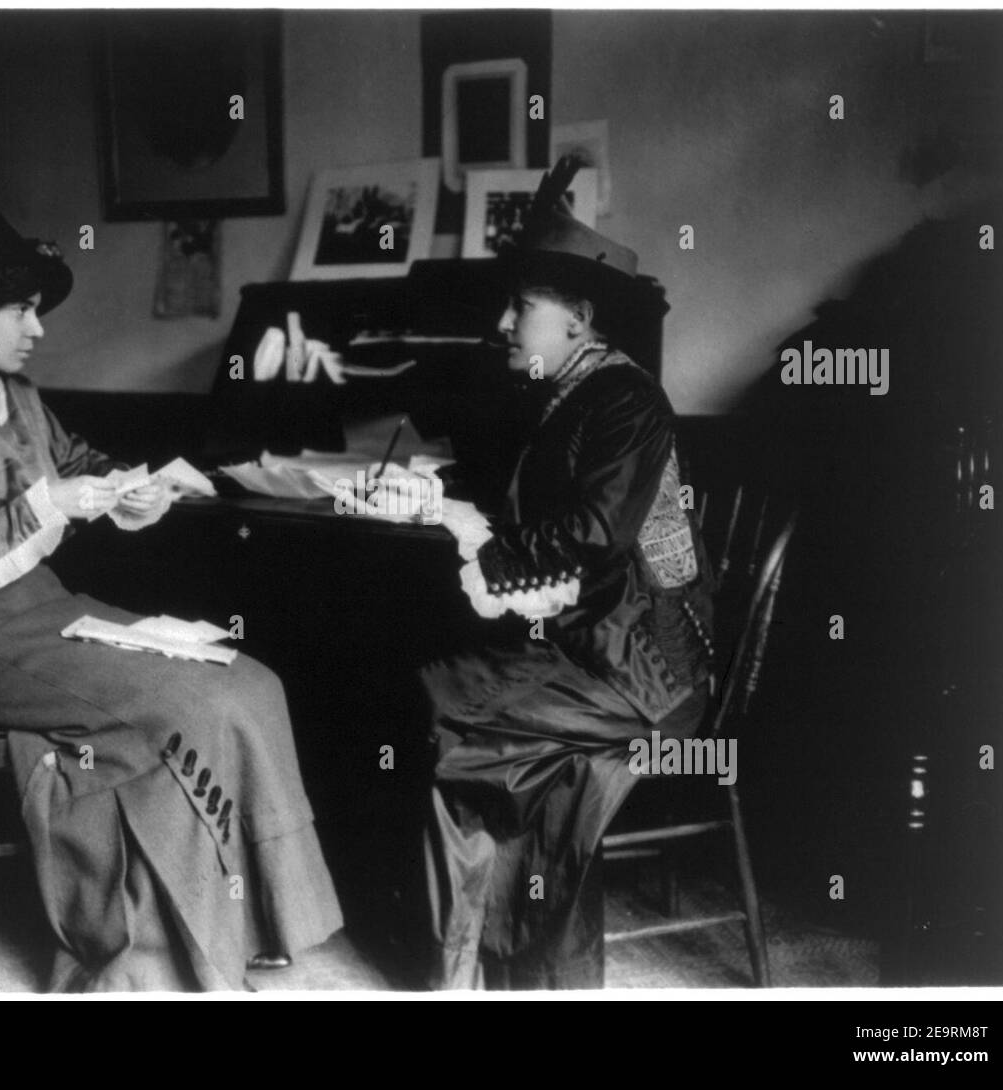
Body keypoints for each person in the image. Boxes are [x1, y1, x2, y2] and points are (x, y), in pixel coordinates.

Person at [0, 207, 343, 991]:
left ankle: (258, 920)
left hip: (51, 608)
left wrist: (132, 491)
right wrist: (49, 505)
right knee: (188, 704)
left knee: (246, 679)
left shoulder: (19, 395)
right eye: (21, 310)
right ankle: (171, 947)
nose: (38, 328)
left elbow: (84, 465)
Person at [424, 161, 716, 990]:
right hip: (590, 642)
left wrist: (480, 551)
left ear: (580, 319)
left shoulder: (626, 401)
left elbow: (590, 537)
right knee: (445, 695)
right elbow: (523, 508)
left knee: (443, 705)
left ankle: (474, 961)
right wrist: (438, 503)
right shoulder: (563, 394)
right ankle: (486, 961)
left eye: (523, 307)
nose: (505, 320)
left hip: (647, 665)